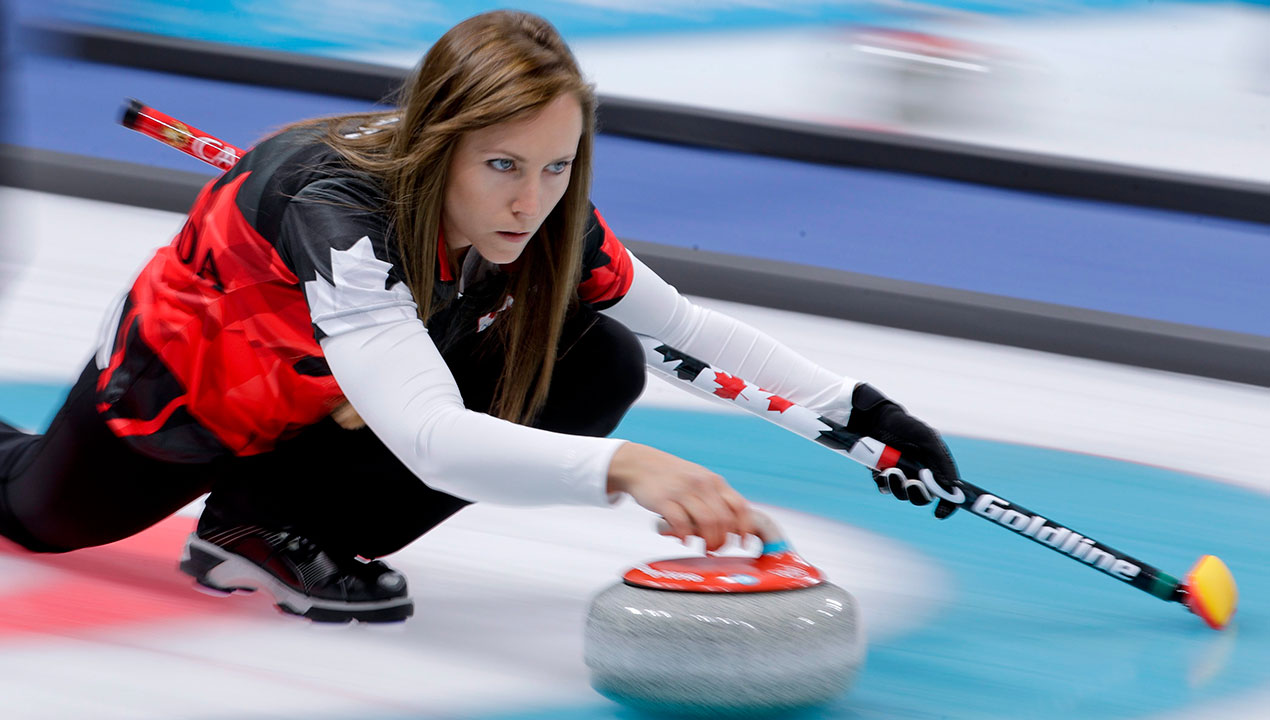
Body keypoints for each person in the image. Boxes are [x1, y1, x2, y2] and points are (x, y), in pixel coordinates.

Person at [0, 10, 960, 624]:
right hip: (183, 401)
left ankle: (266, 528)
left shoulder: (540, 217)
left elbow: (683, 333)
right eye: (504, 165)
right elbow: (428, 437)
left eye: (556, 167)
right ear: (439, 146)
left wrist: (868, 417)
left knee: (603, 356)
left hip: (327, 392)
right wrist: (629, 467)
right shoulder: (333, 214)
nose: (532, 200)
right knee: (40, 519)